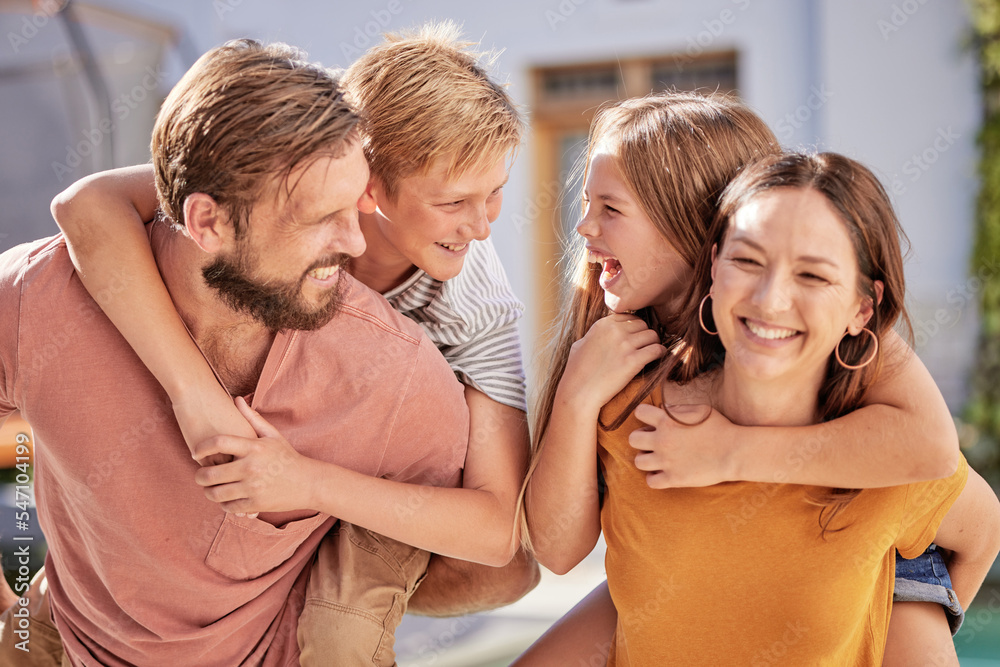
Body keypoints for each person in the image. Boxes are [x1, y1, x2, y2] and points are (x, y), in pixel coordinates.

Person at [48, 22, 538, 665]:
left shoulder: (472, 302)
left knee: (345, 635)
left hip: (362, 482)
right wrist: (194, 395)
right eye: (454, 202)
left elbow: (499, 535)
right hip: (244, 451)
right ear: (367, 183)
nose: (481, 226)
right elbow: (87, 204)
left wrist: (309, 484)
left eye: (495, 192)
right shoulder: (296, 177)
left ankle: (293, 594)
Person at [520, 93, 986, 665]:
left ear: (689, 222)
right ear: (717, 258)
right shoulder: (623, 370)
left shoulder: (830, 351)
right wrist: (575, 395)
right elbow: (563, 549)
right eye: (587, 202)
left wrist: (729, 453)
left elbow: (936, 457)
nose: (584, 226)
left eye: (612, 208)